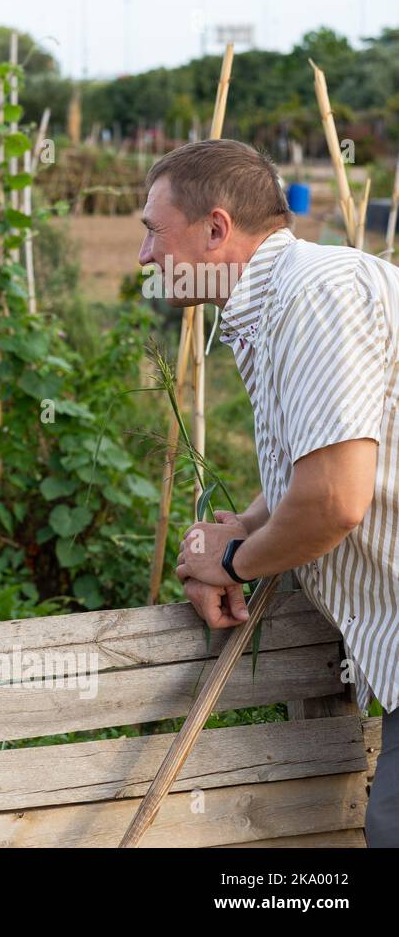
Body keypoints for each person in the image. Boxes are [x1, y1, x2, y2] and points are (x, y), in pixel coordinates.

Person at [155, 139, 399, 847]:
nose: (143, 254)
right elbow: (312, 470)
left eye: (151, 228)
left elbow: (334, 502)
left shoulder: (314, 297)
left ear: (215, 230)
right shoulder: (288, 299)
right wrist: (239, 534)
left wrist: (235, 564)